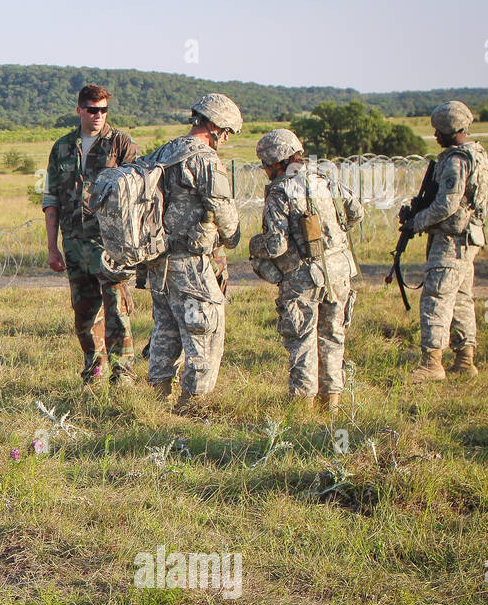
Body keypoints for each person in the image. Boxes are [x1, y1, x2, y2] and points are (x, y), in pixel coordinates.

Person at [143, 93, 243, 414]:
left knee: (166, 327)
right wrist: (233, 237)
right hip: (189, 261)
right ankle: (193, 406)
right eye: (226, 130)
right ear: (212, 124)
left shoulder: (165, 151)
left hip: (159, 260)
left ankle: (156, 399)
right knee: (205, 324)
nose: (226, 138)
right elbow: (222, 209)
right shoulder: (205, 160)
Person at [251, 129, 363, 412]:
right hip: (339, 272)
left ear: (276, 161)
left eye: (265, 164)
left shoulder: (280, 191)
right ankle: (332, 404)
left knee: (302, 340)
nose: (265, 170)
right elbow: (357, 212)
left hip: (303, 277)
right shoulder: (326, 180)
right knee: (333, 336)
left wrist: (254, 246)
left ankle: (302, 407)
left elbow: (276, 245)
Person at [42, 84, 140, 384]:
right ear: (80, 110)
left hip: (112, 245)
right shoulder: (62, 148)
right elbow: (51, 200)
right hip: (74, 244)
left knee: (117, 311)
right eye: (92, 110)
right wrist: (52, 247)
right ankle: (95, 371)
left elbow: (140, 193)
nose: (98, 116)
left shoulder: (121, 144)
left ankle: (122, 374)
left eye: (103, 110)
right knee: (84, 315)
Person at [405, 100, 488, 383]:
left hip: (451, 240)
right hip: (468, 239)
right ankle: (465, 360)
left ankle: (432, 363)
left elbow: (446, 205)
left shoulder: (455, 160)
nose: (436, 135)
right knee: (462, 299)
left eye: (439, 130)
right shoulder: (476, 153)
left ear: (452, 129)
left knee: (437, 298)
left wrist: (417, 221)